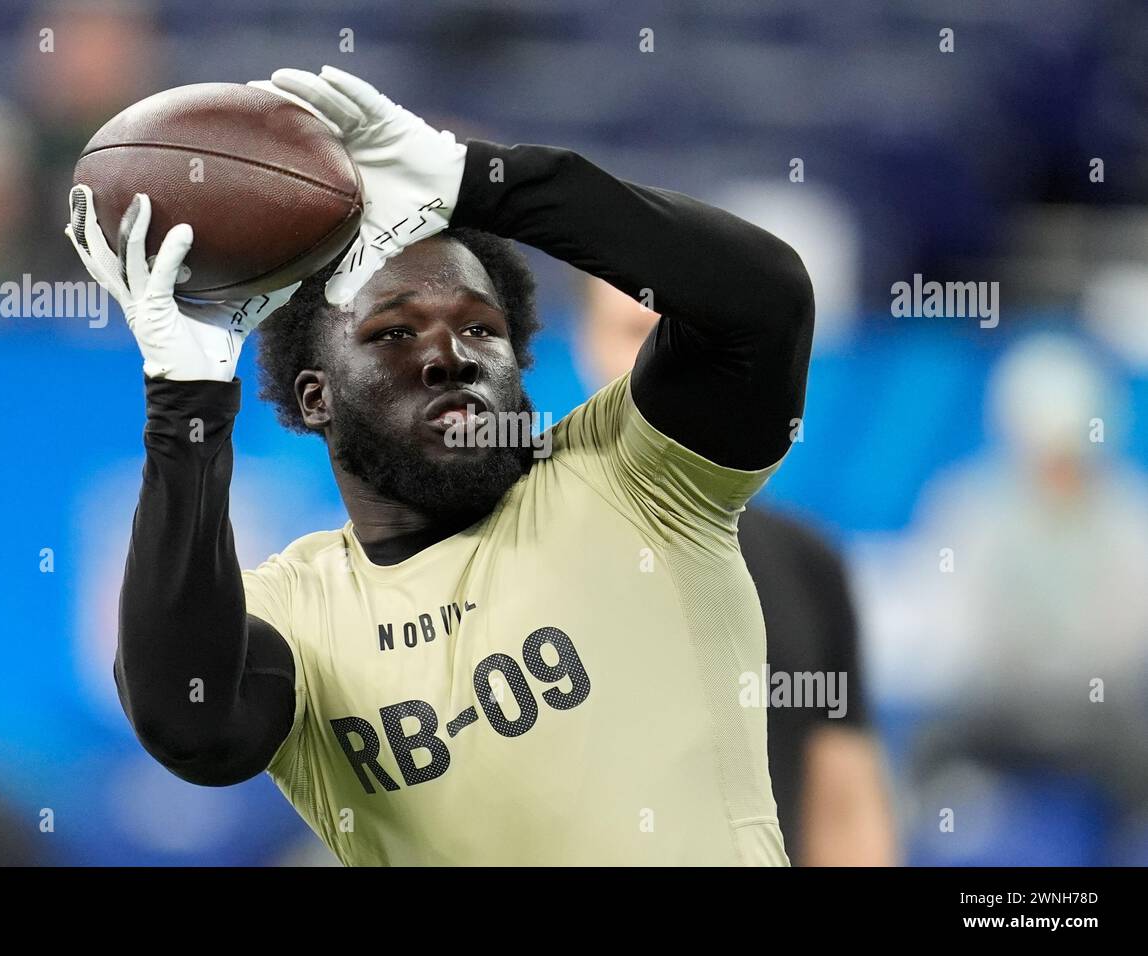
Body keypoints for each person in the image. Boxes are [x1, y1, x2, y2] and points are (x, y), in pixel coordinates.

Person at [66, 66, 814, 865]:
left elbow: (761, 303)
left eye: (483, 330)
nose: (450, 355)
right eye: (393, 332)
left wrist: (481, 180)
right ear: (313, 398)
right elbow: (188, 722)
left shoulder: (631, 479)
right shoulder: (299, 610)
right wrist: (186, 406)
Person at [577, 276, 896, 865]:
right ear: (585, 343)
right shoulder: (501, 552)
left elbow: (843, 804)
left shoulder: (807, 564)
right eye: (633, 334)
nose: (657, 361)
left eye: (683, 338)